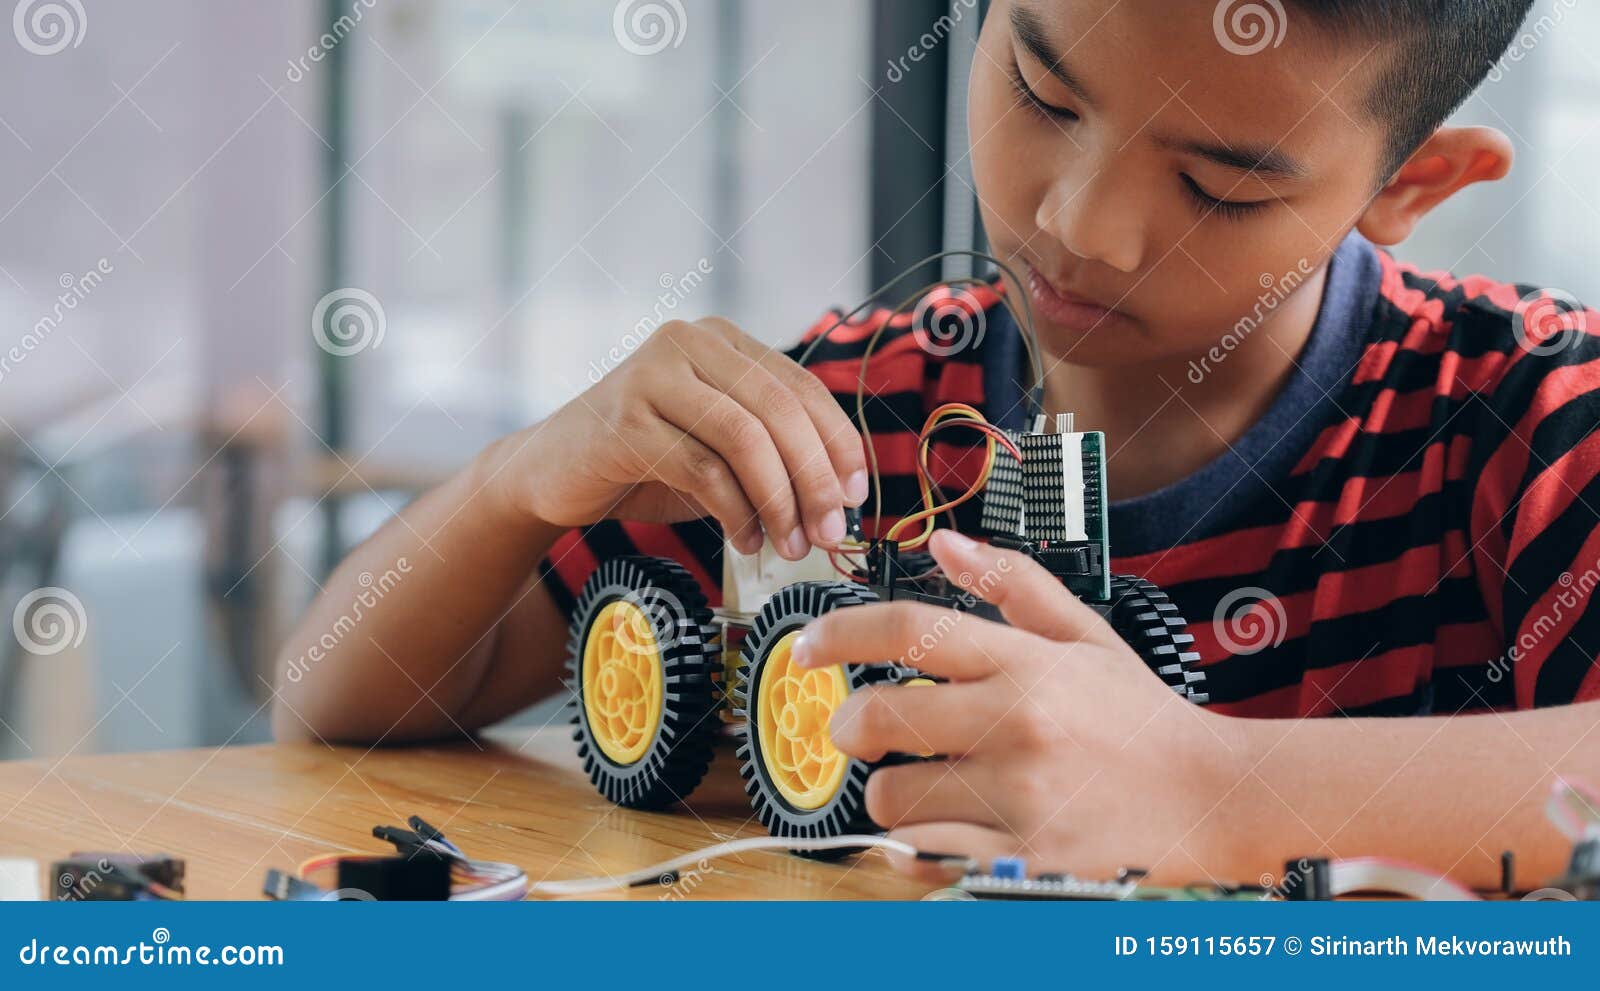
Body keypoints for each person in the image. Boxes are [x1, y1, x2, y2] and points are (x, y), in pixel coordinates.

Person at [275, 1, 1599, 889]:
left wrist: (1212, 789)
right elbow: (340, 703)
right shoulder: (856, 412)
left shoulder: (1531, 417)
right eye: (1042, 92)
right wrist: (514, 486)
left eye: (1219, 185)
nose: (1081, 224)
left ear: (1409, 184)